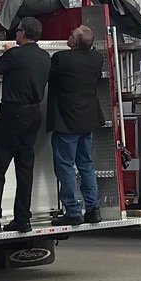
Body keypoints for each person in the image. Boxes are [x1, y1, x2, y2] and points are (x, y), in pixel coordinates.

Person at [0, 17, 51, 234]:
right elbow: (22, 64)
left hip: (12, 114)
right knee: (25, 169)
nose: (15, 33)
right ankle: (22, 219)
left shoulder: (15, 55)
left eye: (18, 31)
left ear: (24, 34)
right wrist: (9, 52)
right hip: (34, 114)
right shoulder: (44, 56)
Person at [46, 25, 105, 224]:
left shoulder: (62, 59)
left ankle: (72, 211)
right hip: (87, 119)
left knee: (65, 165)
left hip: (66, 120)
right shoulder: (97, 59)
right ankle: (93, 208)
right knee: (86, 164)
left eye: (71, 34)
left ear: (75, 41)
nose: (68, 35)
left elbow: (48, 76)